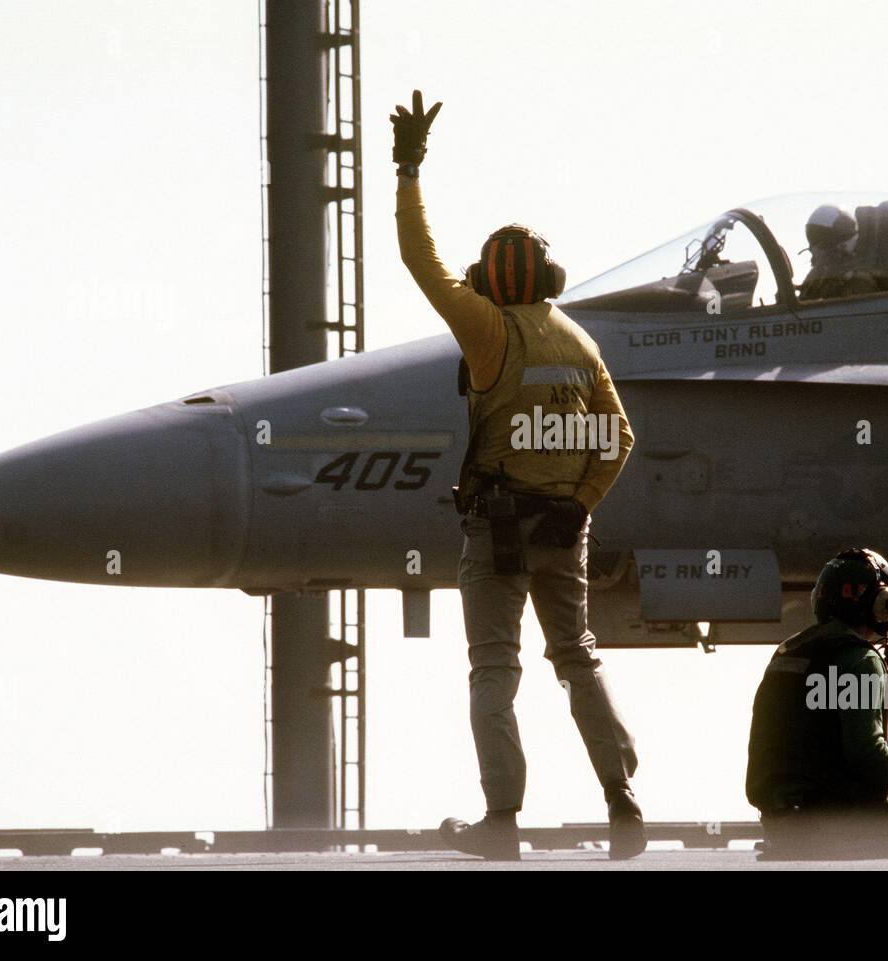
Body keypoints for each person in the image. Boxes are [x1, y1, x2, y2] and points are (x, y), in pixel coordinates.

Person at [391, 91, 644, 861]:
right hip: (566, 530)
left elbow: (418, 259)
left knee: (495, 666)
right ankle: (624, 799)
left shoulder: (486, 328)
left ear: (494, 282)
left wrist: (408, 170)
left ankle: (501, 823)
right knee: (577, 656)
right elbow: (620, 437)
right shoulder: (580, 341)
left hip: (496, 531)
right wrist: (579, 505)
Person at [745, 548, 888, 859]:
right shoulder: (860, 659)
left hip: (782, 822)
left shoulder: (790, 651)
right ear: (883, 603)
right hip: (836, 824)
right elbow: (867, 752)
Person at [797, 204, 879, 301]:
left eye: (819, 237)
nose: (814, 247)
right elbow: (801, 304)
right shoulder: (822, 274)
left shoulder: (857, 280)